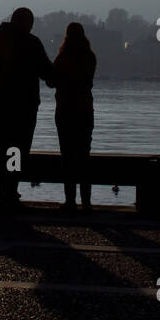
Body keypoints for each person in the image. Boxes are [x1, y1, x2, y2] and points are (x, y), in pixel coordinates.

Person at [0, 8, 55, 211]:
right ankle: (9, 193)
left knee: (0, 150)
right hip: (23, 109)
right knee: (16, 151)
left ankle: (2, 192)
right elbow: (47, 72)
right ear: (28, 23)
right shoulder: (31, 43)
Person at [53, 23, 96, 213]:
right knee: (84, 156)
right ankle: (86, 202)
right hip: (85, 109)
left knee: (67, 155)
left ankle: (70, 200)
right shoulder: (89, 57)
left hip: (65, 110)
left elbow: (52, 80)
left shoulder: (63, 58)